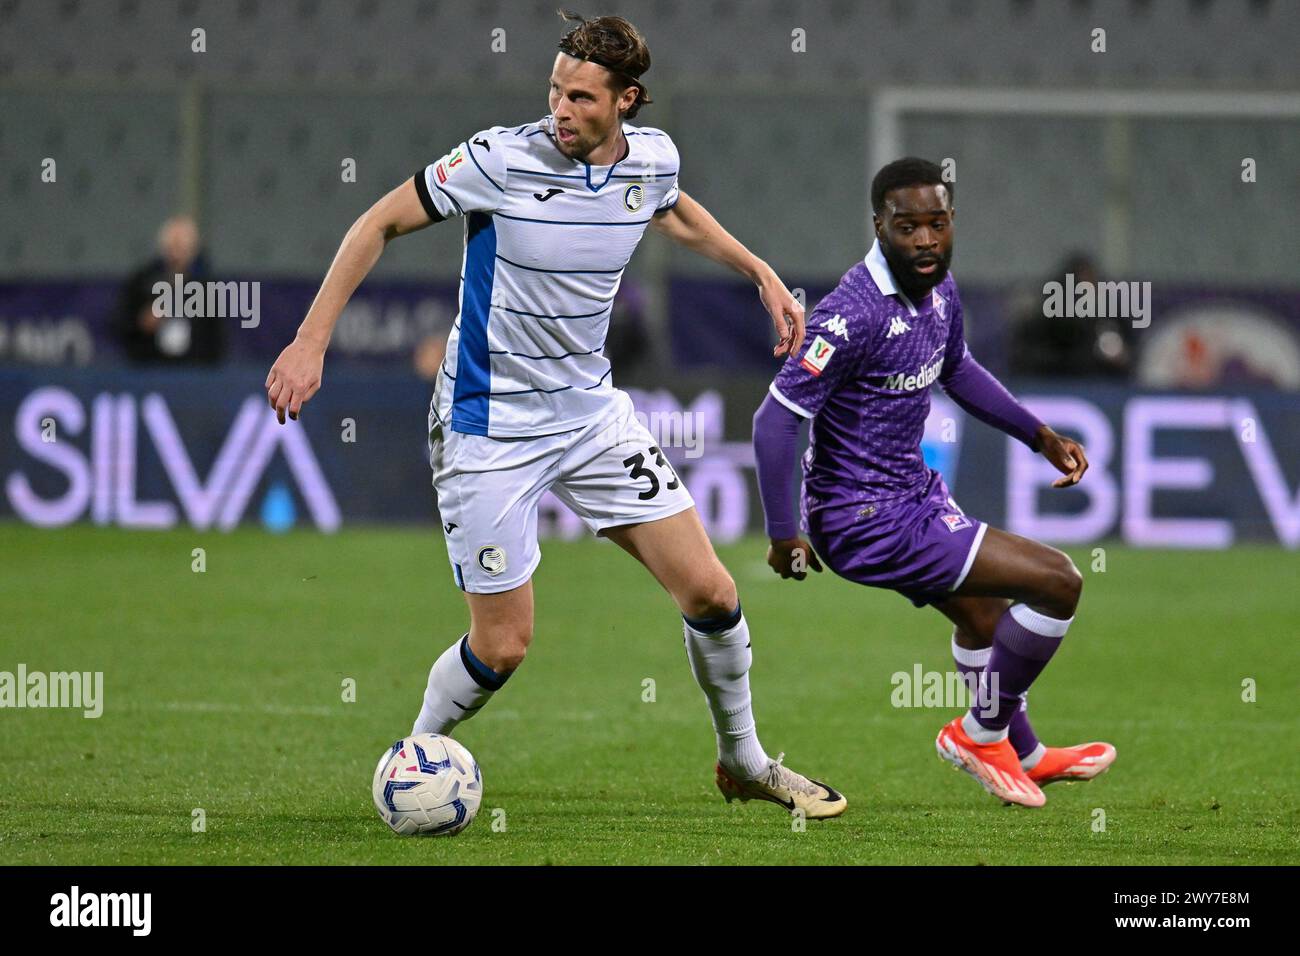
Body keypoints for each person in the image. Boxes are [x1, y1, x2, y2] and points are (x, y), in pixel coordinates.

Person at [265, 13, 845, 819]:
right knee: (503, 644)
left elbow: (670, 208)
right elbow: (379, 222)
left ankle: (743, 760)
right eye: (553, 91)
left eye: (579, 97)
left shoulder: (653, 159)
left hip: (590, 414)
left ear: (625, 101)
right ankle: (415, 760)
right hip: (488, 422)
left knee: (712, 592)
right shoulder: (499, 159)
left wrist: (760, 271)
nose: (560, 110)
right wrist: (309, 341)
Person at [752, 157, 1115, 808]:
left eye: (937, 224)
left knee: (984, 616)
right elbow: (774, 420)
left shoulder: (940, 293)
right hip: (862, 519)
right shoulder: (851, 314)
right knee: (1059, 582)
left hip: (912, 499)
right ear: (879, 227)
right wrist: (785, 534)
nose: (925, 240)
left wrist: (1040, 435)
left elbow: (960, 370)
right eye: (907, 226)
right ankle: (980, 735)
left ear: (951, 224)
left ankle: (1023, 753)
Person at [114, 215, 223, 364]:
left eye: (182, 248)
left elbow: (217, 339)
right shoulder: (141, 282)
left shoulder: (206, 289)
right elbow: (121, 324)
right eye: (172, 247)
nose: (176, 254)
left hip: (193, 373)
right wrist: (141, 323)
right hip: (148, 370)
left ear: (193, 250)